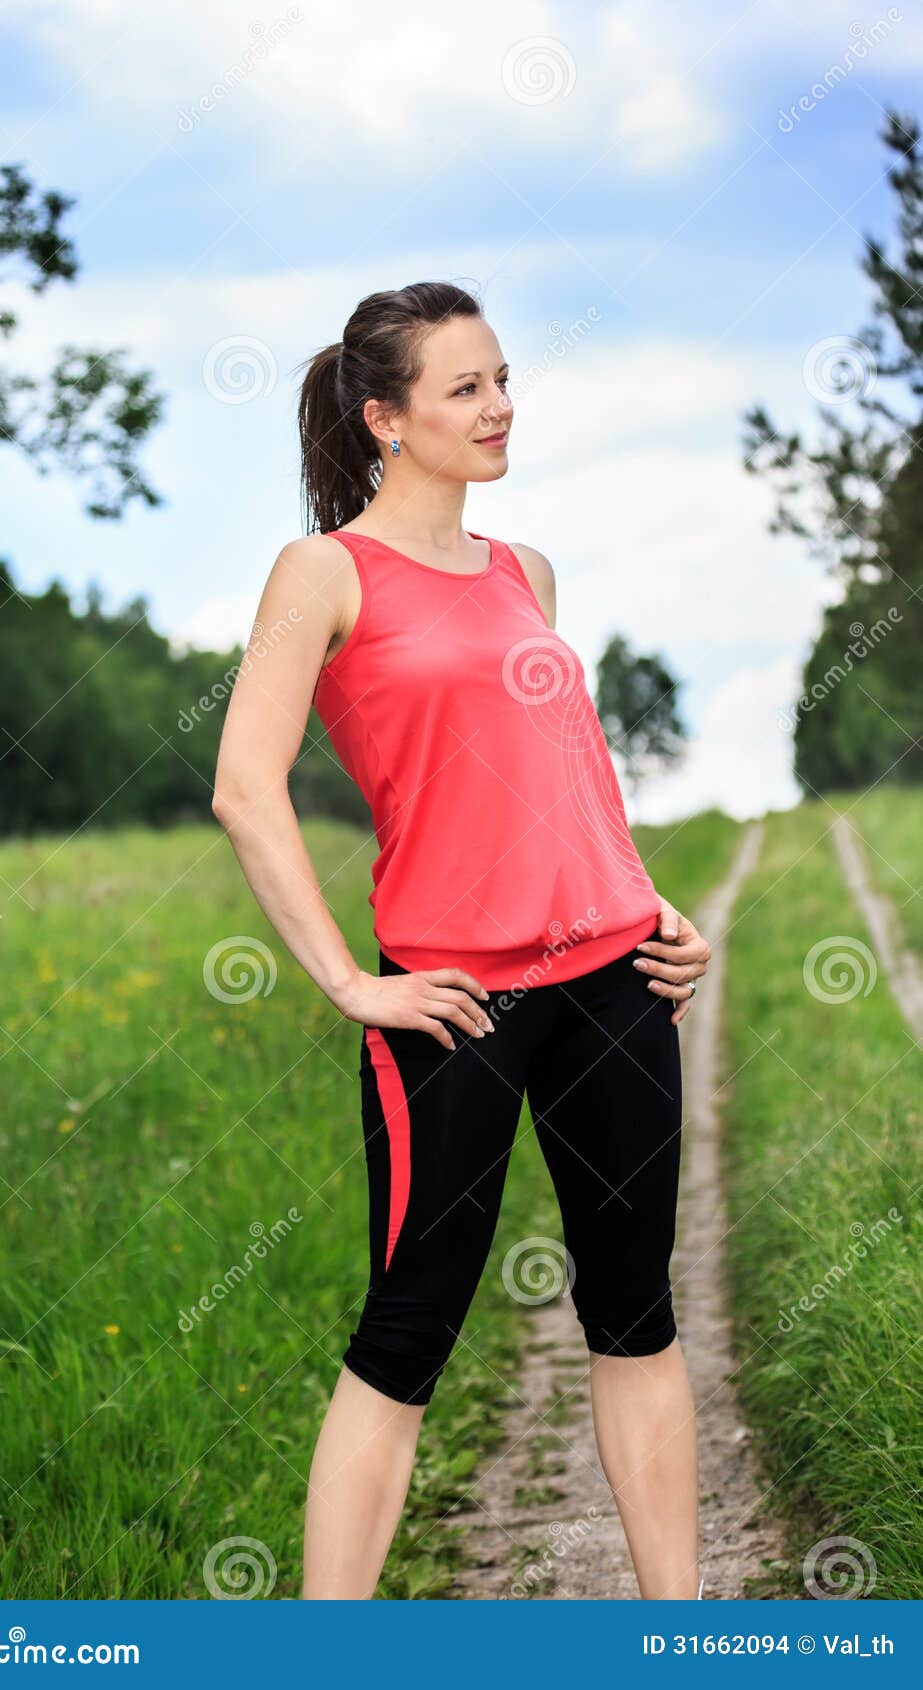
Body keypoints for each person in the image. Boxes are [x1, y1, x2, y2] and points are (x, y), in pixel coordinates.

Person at [211, 280, 711, 1600]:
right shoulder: (323, 573)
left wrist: (650, 898)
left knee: (638, 1314)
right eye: (465, 388)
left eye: (503, 380)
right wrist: (348, 981)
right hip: (454, 1002)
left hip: (613, 980)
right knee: (408, 1329)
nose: (501, 408)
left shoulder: (521, 570)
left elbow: (567, 769)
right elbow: (243, 788)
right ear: (386, 418)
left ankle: (684, 1639)